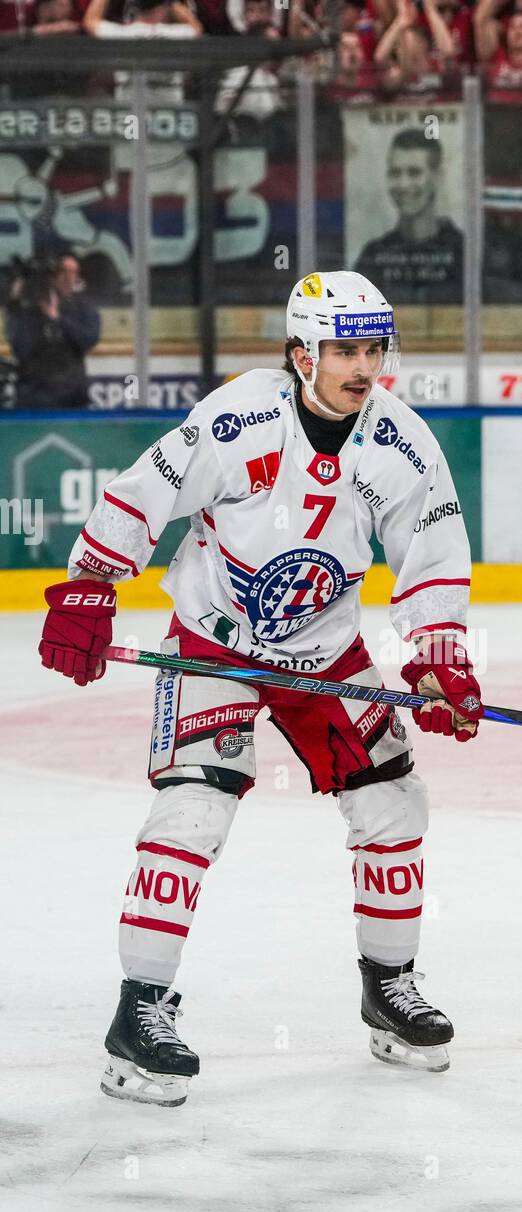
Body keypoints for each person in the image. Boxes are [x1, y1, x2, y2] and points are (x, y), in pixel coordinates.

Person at [38, 270, 481, 1104]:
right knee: (194, 808)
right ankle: (141, 1011)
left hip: (325, 652)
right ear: (299, 352)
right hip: (215, 644)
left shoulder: (400, 442)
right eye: (343, 349)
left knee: (394, 801)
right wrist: (93, 582)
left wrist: (440, 652)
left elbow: (432, 557)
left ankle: (388, 988)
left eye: (373, 348)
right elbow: (144, 494)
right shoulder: (241, 418)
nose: (362, 367)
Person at [354, 127, 464, 303]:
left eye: (414, 173)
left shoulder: (464, 253)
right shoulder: (374, 255)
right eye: (395, 173)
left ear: (438, 177)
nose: (403, 184)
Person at [5, 252, 100, 409]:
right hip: (33, 395)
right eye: (63, 271)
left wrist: (57, 318)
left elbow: (89, 339)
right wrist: (16, 302)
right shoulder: (28, 308)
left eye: (73, 272)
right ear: (53, 276)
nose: (68, 277)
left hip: (72, 396)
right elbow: (19, 347)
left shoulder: (82, 306)